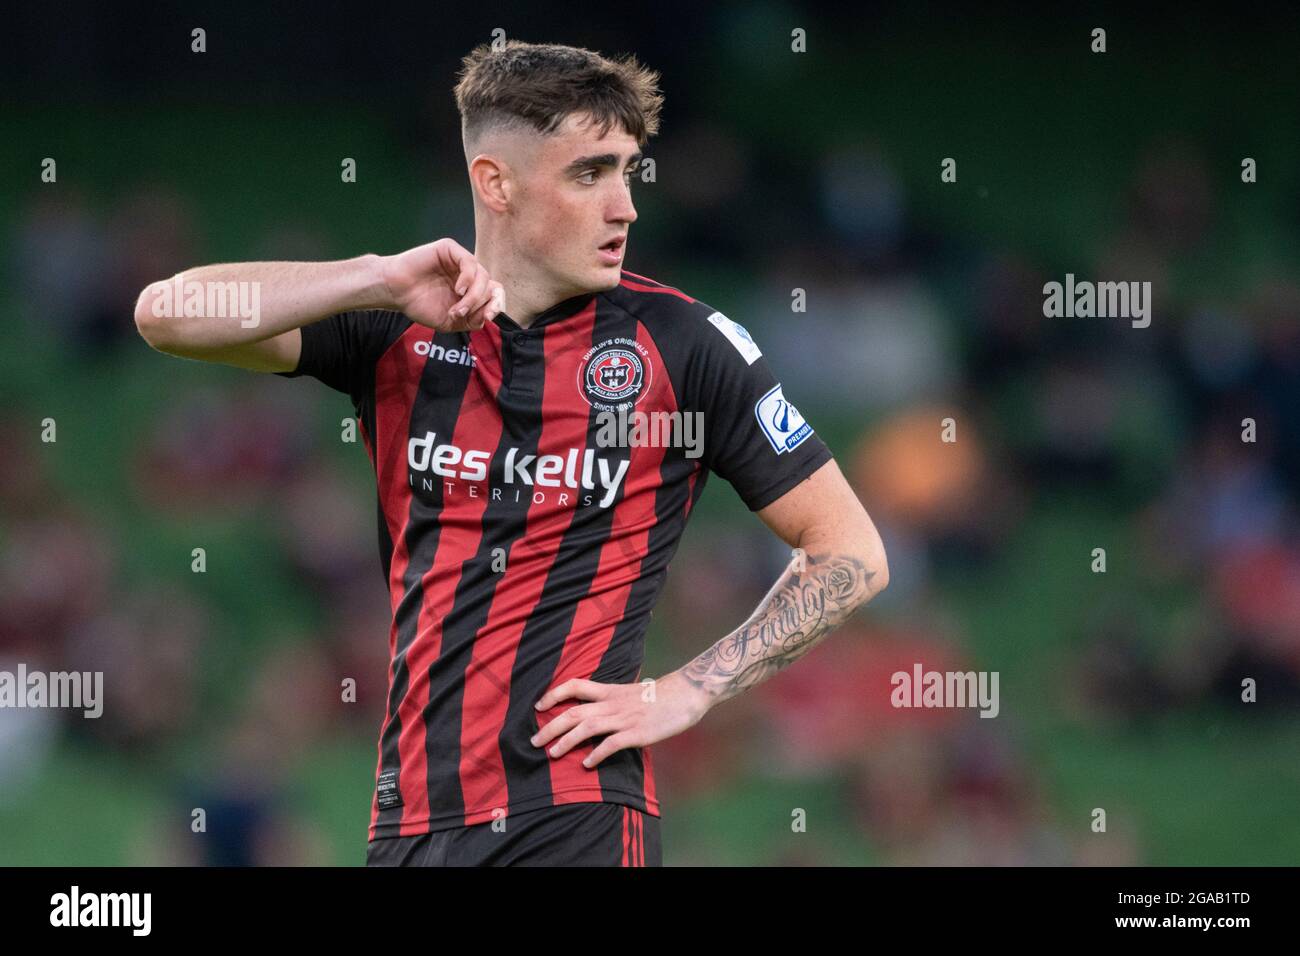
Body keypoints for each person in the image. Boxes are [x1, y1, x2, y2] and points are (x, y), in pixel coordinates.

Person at [134, 39, 890, 867]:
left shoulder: (685, 347)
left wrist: (689, 690)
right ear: (495, 183)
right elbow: (167, 314)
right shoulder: (399, 323)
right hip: (410, 823)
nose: (624, 207)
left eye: (627, 172)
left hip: (577, 815)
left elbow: (849, 551)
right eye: (588, 173)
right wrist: (375, 278)